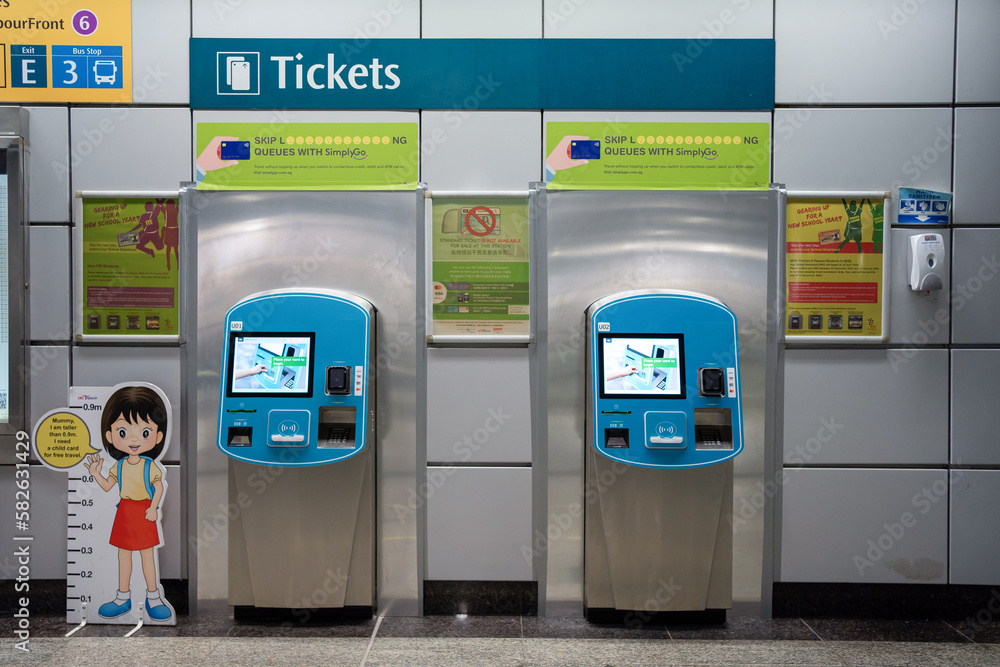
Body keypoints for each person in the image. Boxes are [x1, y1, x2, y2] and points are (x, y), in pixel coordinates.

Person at [84, 386, 173, 622]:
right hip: (124, 512)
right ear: (110, 435)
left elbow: (159, 487)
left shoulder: (149, 465)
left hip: (144, 511)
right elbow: (106, 486)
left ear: (158, 436)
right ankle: (122, 597)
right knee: (123, 555)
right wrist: (95, 473)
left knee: (147, 555)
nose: (134, 439)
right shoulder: (120, 466)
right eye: (123, 432)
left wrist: (153, 508)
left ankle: (153, 597)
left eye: (145, 432)